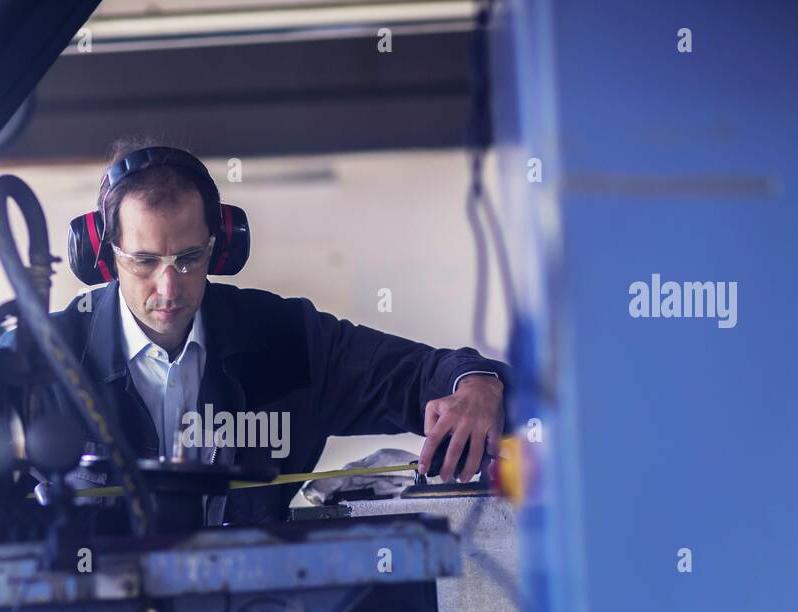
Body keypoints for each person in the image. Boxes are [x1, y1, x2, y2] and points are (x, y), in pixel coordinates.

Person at [47, 139, 510, 526]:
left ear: (221, 247)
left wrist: (478, 385)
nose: (169, 286)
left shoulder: (288, 343)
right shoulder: (48, 357)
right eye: (145, 261)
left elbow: (418, 375)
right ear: (106, 255)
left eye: (189, 258)